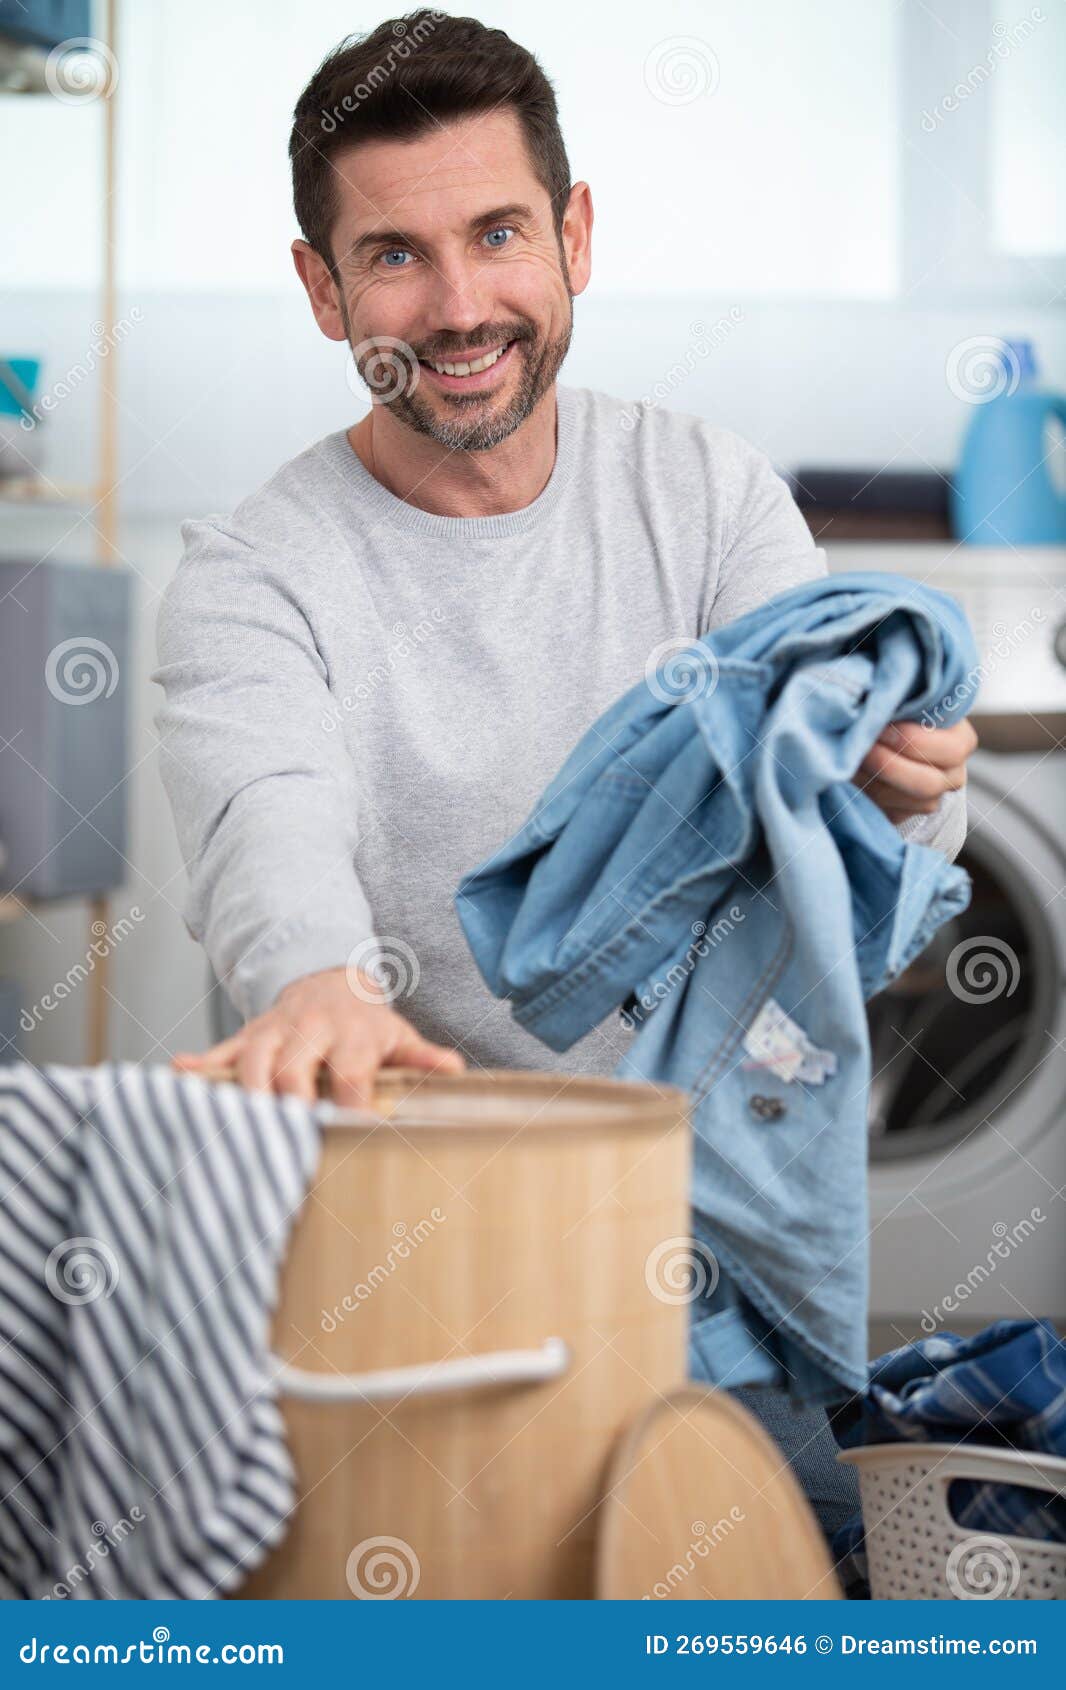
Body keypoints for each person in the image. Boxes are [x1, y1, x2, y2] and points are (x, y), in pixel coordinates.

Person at [152, 10, 977, 1557]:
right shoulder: (254, 573)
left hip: (697, 1238)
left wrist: (891, 788)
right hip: (395, 1233)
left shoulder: (706, 492)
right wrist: (317, 981)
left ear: (574, 235)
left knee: (782, 1592)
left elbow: (847, 860)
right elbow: (262, 803)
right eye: (394, 255)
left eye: (498, 234)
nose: (460, 307)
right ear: (321, 288)